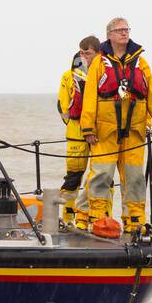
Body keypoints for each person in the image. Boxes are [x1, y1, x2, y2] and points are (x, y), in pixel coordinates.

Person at [79, 18, 152, 237]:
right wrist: (88, 129)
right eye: (119, 30)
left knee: (135, 177)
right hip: (105, 132)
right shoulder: (98, 63)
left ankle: (134, 221)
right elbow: (90, 97)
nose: (124, 33)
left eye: (126, 29)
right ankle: (99, 219)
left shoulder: (141, 63)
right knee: (101, 175)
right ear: (109, 35)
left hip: (134, 131)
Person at [56, 35, 100, 226]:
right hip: (94, 133)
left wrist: (72, 125)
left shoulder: (68, 75)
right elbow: (64, 107)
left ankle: (71, 217)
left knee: (75, 177)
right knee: (97, 176)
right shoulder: (99, 73)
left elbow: (62, 107)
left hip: (77, 134)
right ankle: (89, 216)